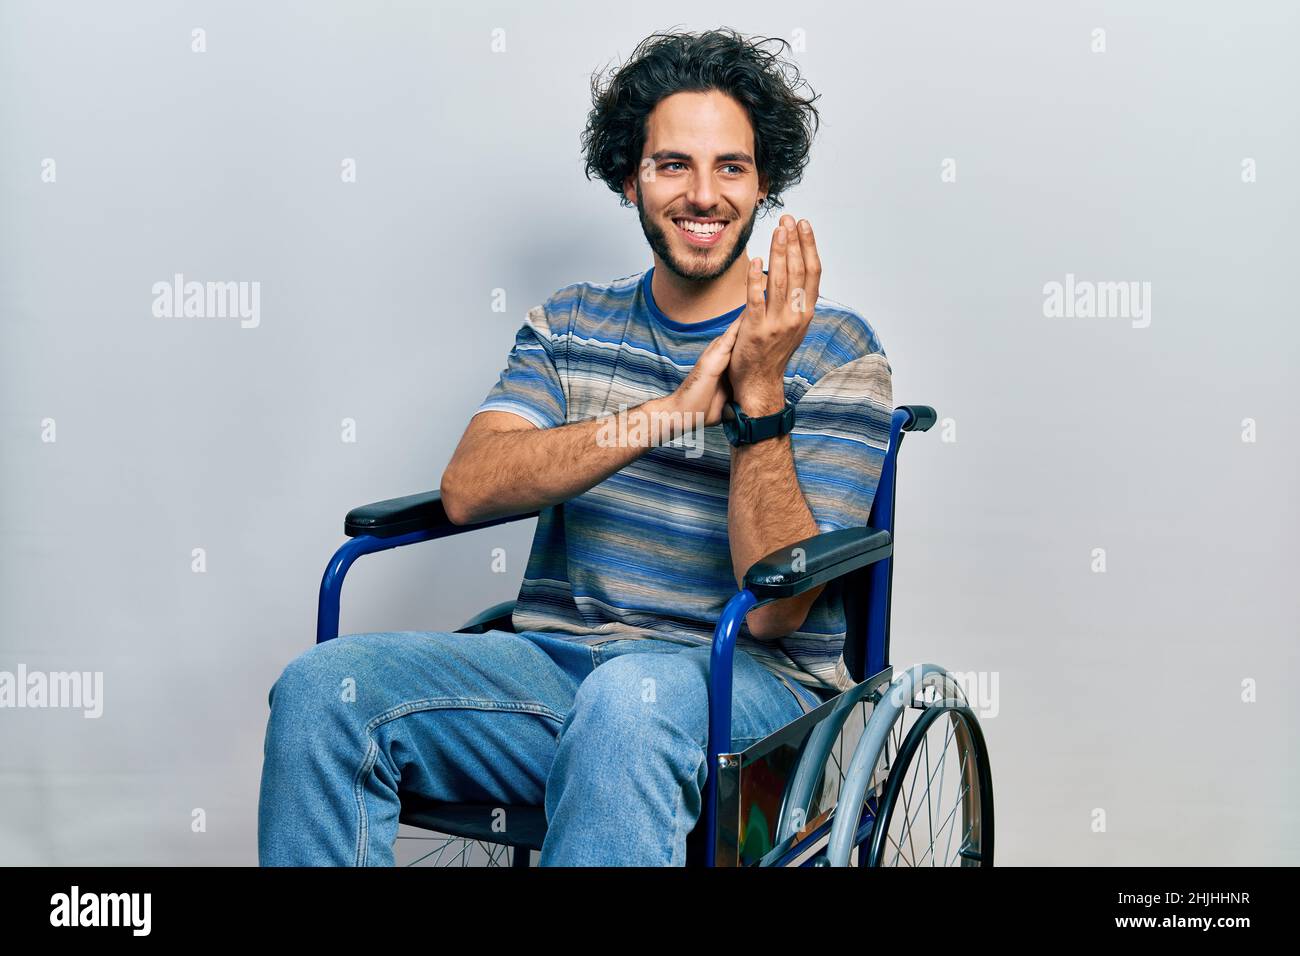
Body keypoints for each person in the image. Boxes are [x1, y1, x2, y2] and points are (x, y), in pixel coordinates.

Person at [258, 27, 894, 867]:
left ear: (763, 181)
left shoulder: (838, 349)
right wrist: (662, 415)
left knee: (630, 701)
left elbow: (776, 604)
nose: (703, 195)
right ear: (630, 178)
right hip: (554, 675)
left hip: (746, 695)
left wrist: (762, 395)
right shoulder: (569, 324)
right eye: (673, 164)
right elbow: (470, 489)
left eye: (730, 167)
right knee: (320, 691)